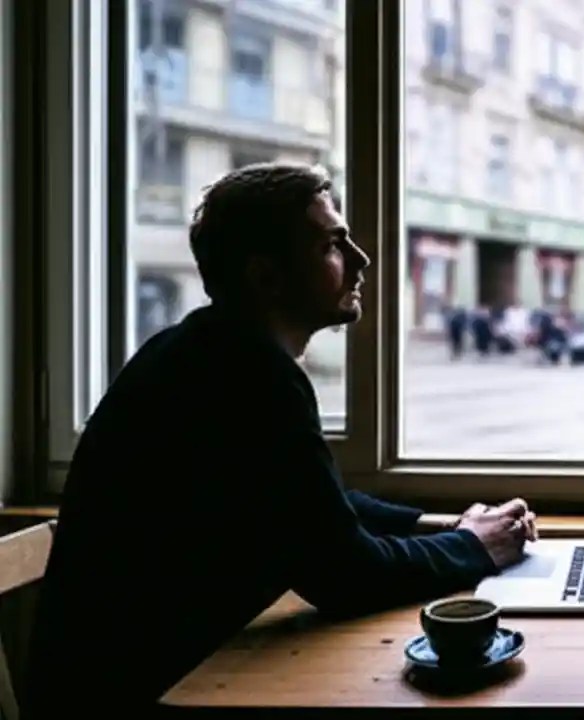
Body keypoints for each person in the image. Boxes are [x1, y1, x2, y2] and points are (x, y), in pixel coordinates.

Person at [23, 163, 538, 717]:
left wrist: (440, 526)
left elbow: (313, 505)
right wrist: (475, 547)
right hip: (130, 701)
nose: (361, 260)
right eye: (332, 245)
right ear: (265, 276)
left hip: (140, 679)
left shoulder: (205, 349)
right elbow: (345, 574)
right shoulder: (250, 377)